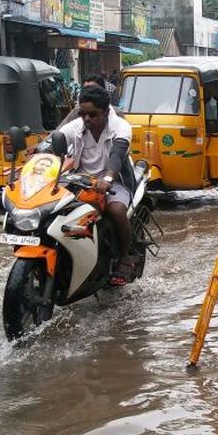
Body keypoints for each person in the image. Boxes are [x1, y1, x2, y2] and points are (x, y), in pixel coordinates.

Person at [55, 88, 138, 286]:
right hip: (79, 181)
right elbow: (51, 144)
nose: (87, 119)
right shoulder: (75, 127)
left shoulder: (121, 127)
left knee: (116, 210)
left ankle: (126, 258)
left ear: (106, 112)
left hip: (114, 182)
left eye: (92, 114)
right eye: (83, 114)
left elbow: (117, 156)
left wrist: (107, 179)